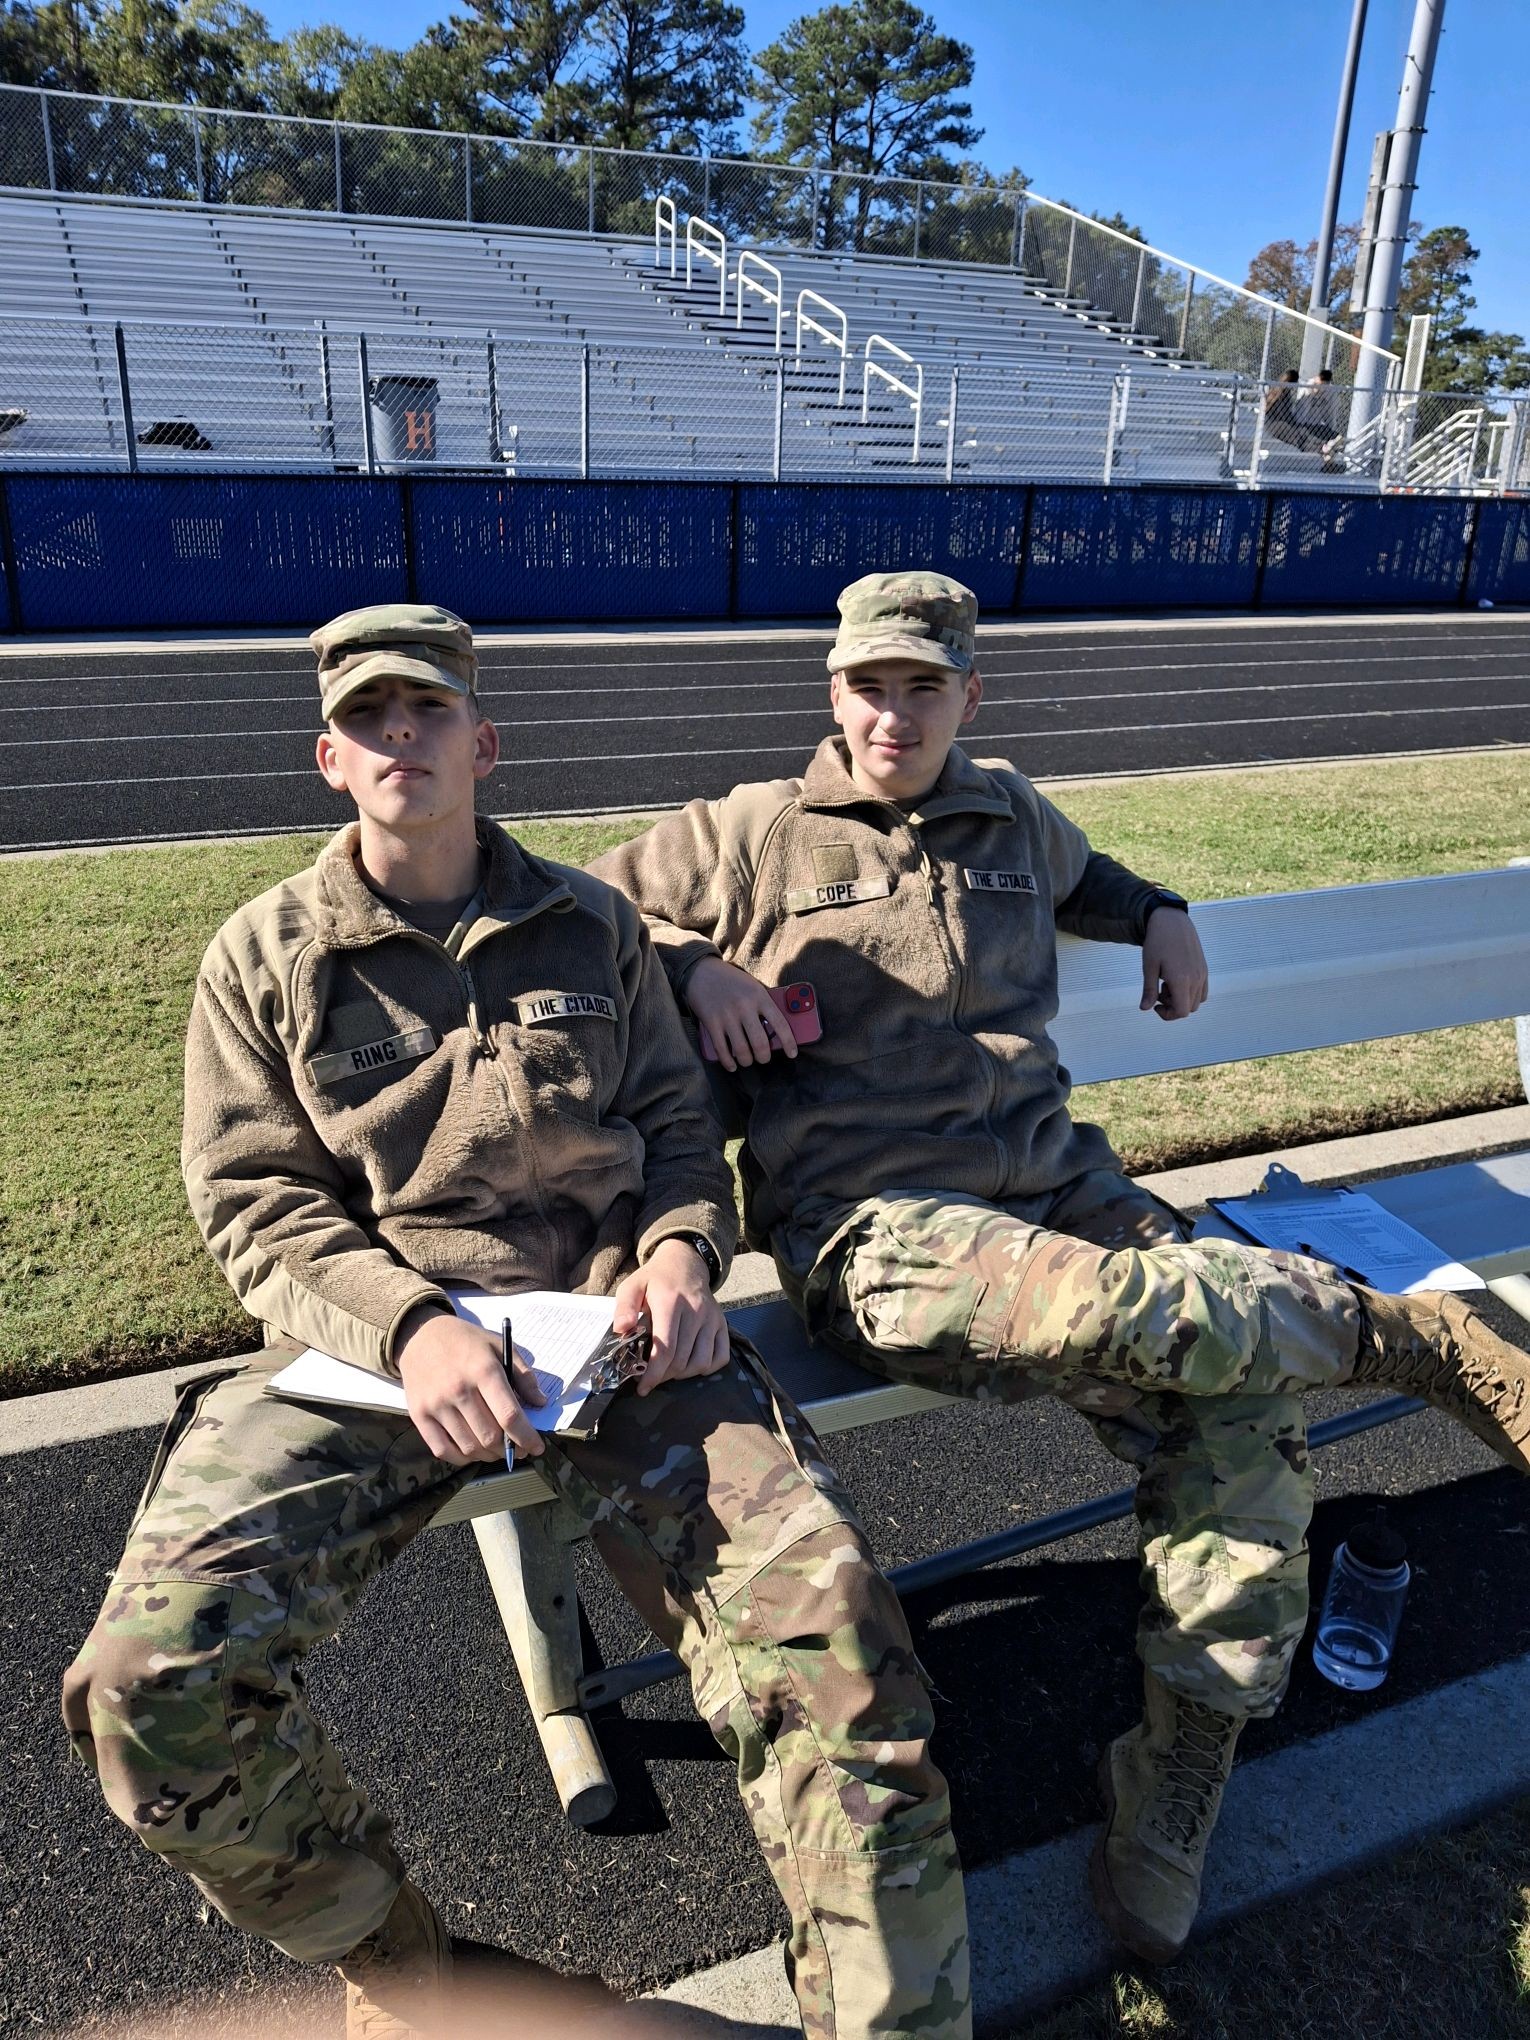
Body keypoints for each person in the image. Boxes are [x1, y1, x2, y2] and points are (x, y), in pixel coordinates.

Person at [591, 569, 1530, 1967]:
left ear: (970, 694)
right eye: (867, 686)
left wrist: (1160, 909)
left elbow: (1092, 881)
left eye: (922, 687)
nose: (892, 715)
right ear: (831, 691)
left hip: (1061, 1188)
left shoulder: (1014, 816)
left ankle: (1178, 1765)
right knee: (1137, 1312)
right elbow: (579, 915)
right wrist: (692, 968)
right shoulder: (747, 833)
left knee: (1244, 1418)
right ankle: (1407, 1338)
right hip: (875, 1231)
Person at [61, 604, 970, 2040]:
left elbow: (678, 1128)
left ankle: (888, 2020)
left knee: (836, 1641)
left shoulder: (593, 926)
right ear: (328, 758)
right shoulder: (265, 954)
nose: (399, 736)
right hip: (374, 1356)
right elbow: (253, 1204)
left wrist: (681, 1254)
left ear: (482, 744)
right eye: (367, 719)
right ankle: (409, 1974)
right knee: (147, 1685)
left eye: (427, 710)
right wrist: (411, 1327)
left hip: (618, 1338)